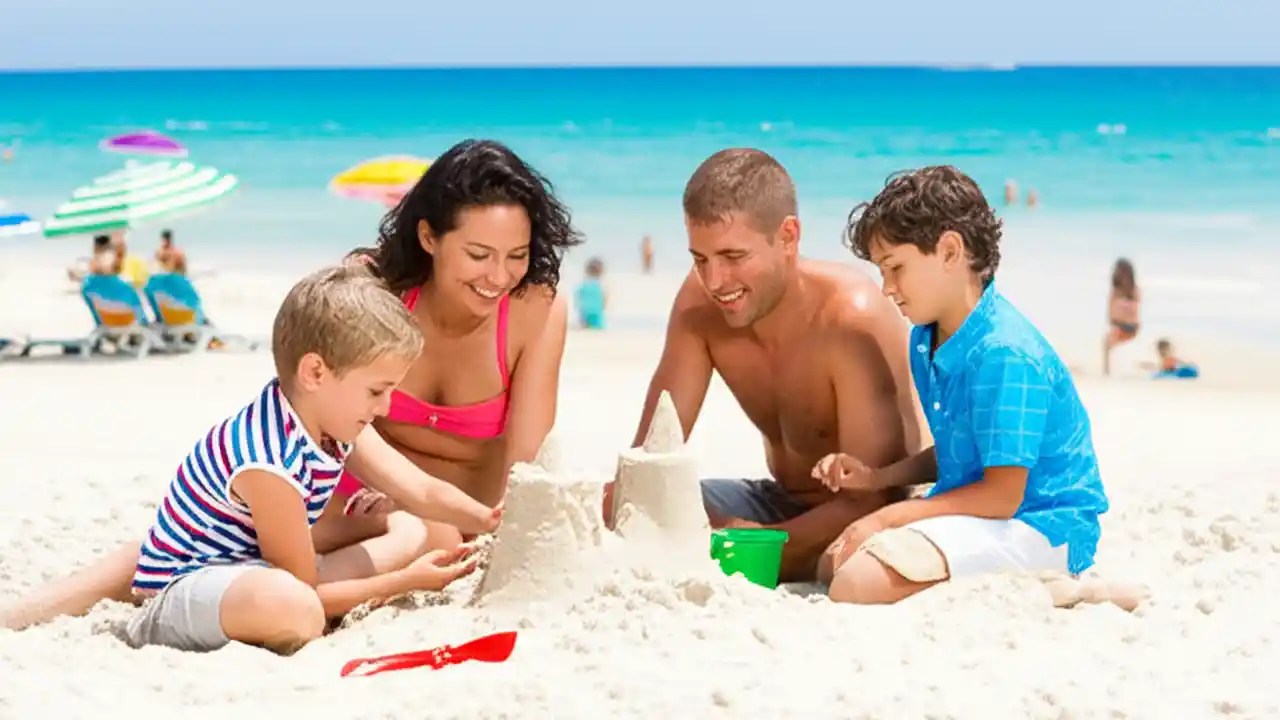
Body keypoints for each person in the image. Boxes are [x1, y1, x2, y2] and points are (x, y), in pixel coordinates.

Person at [0, 138, 582, 631]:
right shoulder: (370, 284)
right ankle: (24, 614)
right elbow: (317, 400)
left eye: (517, 256)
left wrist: (481, 517)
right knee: (197, 548)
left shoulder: (536, 308)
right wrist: (383, 482)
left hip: (451, 512)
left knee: (387, 543)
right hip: (343, 491)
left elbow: (522, 467)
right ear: (429, 237)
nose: (498, 276)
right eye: (478, 254)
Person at [41, 266, 502, 651]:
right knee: (296, 607)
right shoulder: (268, 460)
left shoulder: (329, 423)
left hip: (258, 566)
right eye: (376, 391)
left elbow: (418, 488)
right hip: (187, 591)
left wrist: (488, 517)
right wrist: (403, 582)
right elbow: (306, 591)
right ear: (316, 372)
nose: (385, 407)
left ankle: (346, 580)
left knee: (422, 525)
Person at [604, 148, 926, 583]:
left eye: (734, 257)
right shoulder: (700, 306)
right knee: (615, 504)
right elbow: (648, 462)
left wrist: (748, 541)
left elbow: (874, 498)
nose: (715, 281)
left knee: (850, 558)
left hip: (861, 522)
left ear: (788, 236)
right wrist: (715, 524)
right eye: (700, 259)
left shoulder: (849, 318)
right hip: (773, 503)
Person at [820, 165, 1109, 605]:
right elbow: (965, 447)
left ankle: (1064, 586)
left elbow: (1003, 494)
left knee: (856, 581)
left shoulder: (1005, 353)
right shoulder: (928, 337)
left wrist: (887, 519)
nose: (887, 289)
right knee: (834, 562)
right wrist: (878, 478)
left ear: (950, 251)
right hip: (985, 515)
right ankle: (1028, 586)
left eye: (895, 267)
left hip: (1040, 525)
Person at [1104, 258, 1140, 376]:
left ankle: (1109, 371)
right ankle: (1107, 371)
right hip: (1118, 324)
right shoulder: (1115, 291)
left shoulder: (1134, 290)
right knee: (1107, 342)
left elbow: (1134, 311)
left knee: (1109, 340)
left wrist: (1123, 308)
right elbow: (1110, 312)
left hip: (1130, 326)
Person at [574, 257, 608, 329]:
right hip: (596, 310)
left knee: (584, 326)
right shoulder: (600, 285)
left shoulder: (584, 284)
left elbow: (578, 296)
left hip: (585, 310)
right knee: (598, 327)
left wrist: (578, 306)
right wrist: (604, 306)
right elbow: (604, 298)